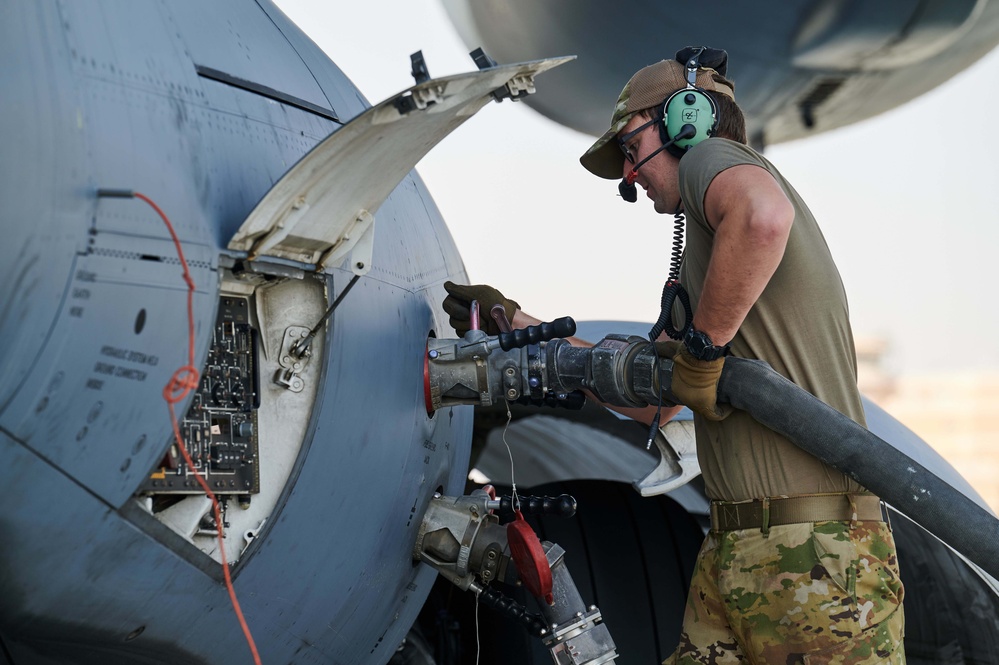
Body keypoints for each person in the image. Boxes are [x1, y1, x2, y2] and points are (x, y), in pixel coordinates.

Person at [443, 47, 905, 663]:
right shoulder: (711, 276)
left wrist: (704, 352)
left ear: (686, 120)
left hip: (817, 552)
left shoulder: (714, 159)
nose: (629, 176)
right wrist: (520, 325)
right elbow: (650, 396)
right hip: (740, 548)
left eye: (632, 150)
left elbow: (764, 216)